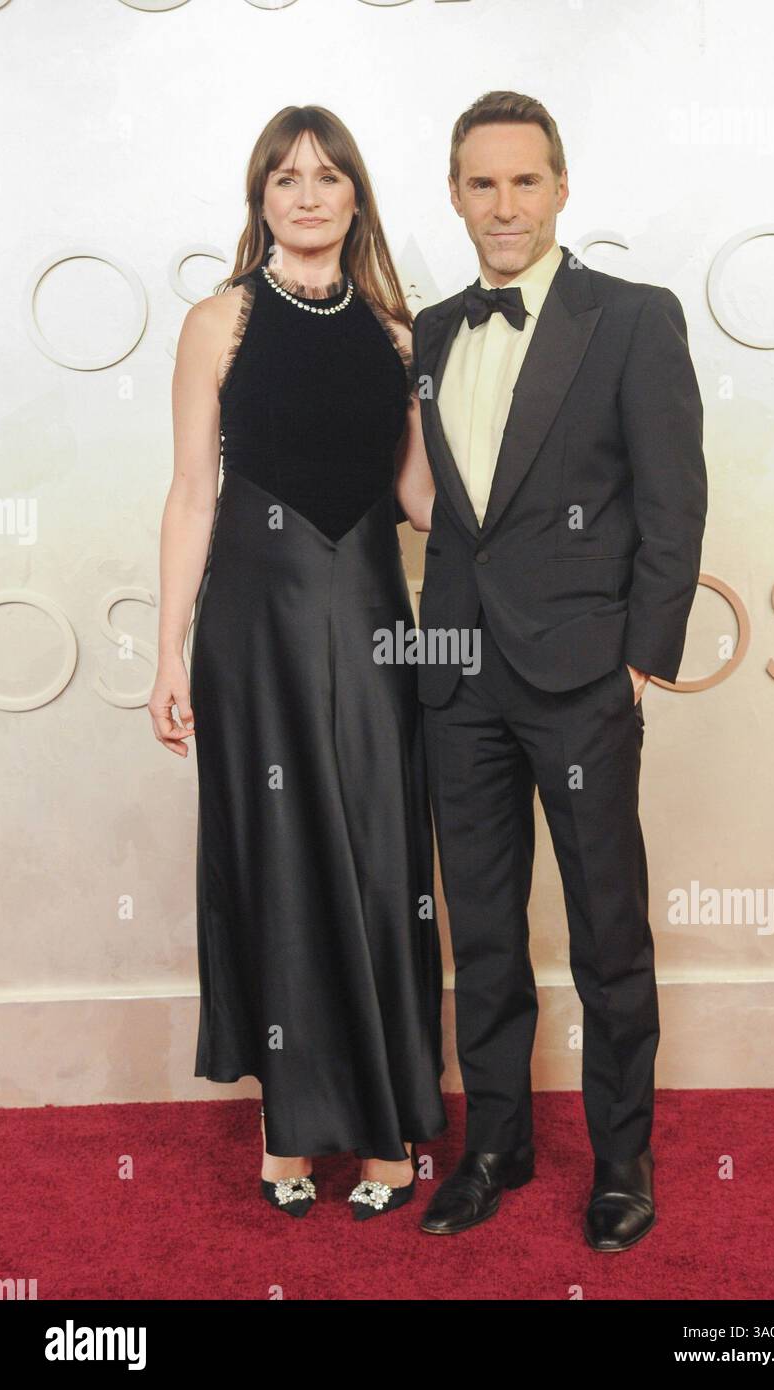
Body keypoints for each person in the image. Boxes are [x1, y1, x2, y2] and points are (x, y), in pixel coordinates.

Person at [413, 91, 707, 1248]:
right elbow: (446, 514)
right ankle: (495, 1143)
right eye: (482, 183)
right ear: (455, 194)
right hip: (459, 679)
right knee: (481, 928)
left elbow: (674, 502)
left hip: (584, 675)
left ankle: (622, 1160)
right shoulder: (433, 332)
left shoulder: (631, 316)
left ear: (561, 187)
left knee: (606, 928)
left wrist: (640, 662)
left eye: (524, 180)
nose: (504, 205)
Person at [148, 104, 446, 1222]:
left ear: (357, 194)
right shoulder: (216, 322)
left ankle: (382, 1127)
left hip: (373, 620)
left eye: (327, 176)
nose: (308, 194)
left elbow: (420, 502)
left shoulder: (400, 334)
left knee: (380, 864)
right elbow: (191, 492)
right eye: (285, 178)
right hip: (253, 632)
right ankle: (289, 1122)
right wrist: (169, 653)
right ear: (260, 198)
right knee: (275, 860)